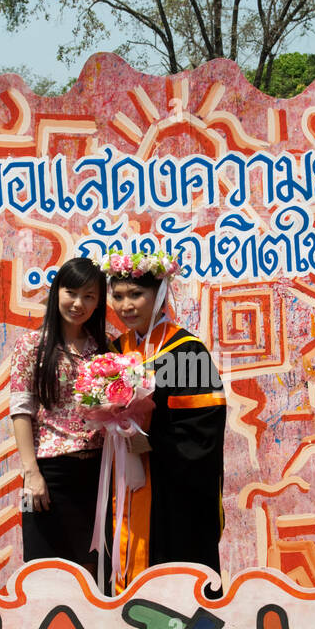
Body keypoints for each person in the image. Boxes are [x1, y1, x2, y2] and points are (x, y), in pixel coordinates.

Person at [101, 253, 226, 593]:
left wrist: (152, 441)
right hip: (123, 483)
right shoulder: (115, 351)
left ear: (158, 294)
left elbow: (205, 428)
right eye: (119, 295)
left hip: (172, 493)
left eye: (136, 295)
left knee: (175, 578)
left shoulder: (185, 351)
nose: (126, 305)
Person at [9, 255, 108, 572]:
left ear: (98, 303)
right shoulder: (30, 345)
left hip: (96, 476)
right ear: (57, 293)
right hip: (45, 475)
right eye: (71, 292)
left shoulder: (106, 350)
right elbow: (20, 411)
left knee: (92, 570)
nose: (78, 303)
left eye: (89, 296)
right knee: (40, 570)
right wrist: (31, 473)